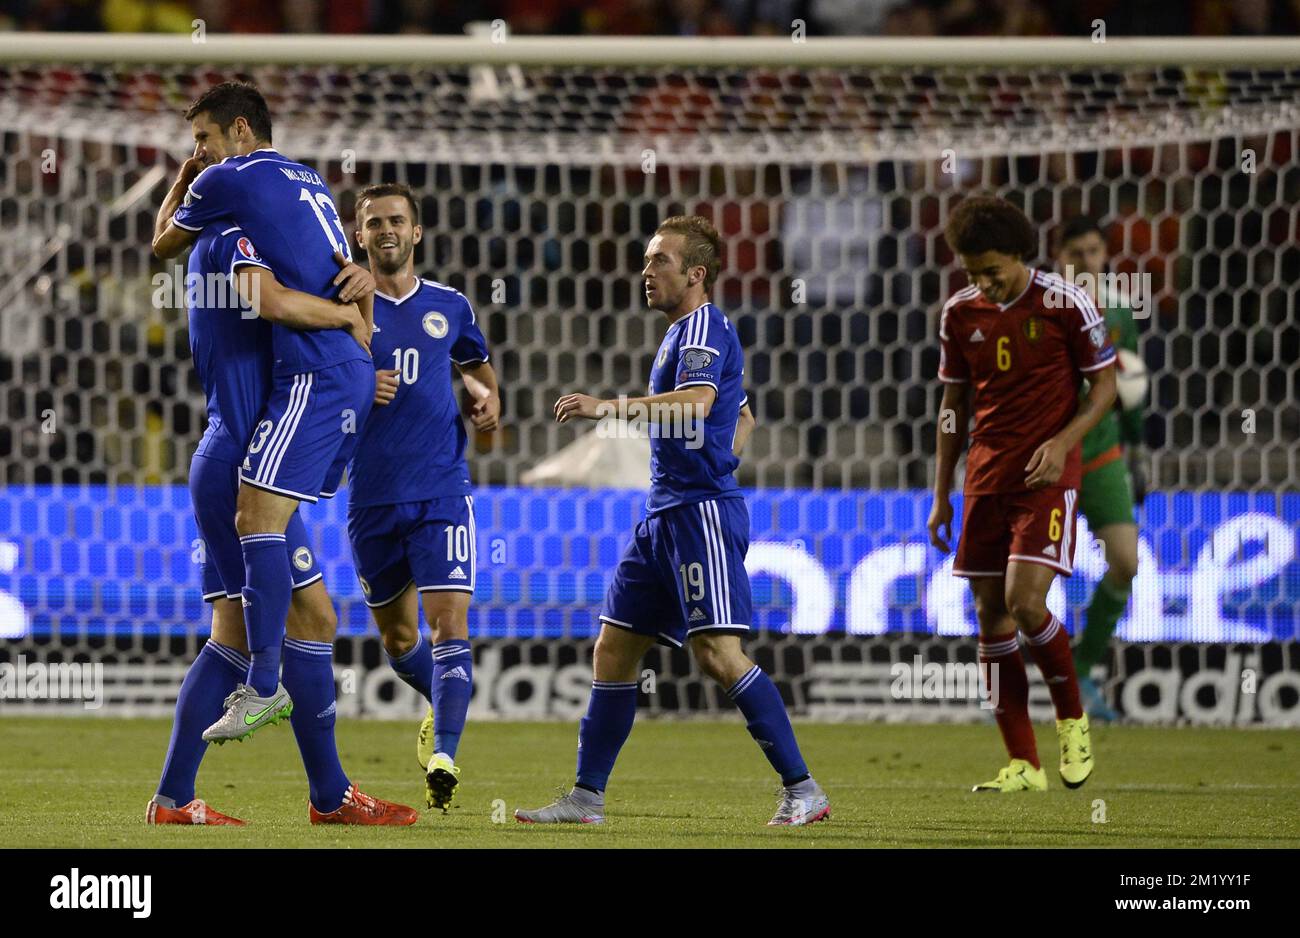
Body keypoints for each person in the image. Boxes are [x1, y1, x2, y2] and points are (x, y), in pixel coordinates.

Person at [515, 215, 829, 827]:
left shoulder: (704, 327)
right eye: (646, 258)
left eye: (660, 260)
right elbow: (743, 417)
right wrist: (722, 452)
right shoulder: (682, 333)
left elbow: (700, 404)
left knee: (716, 652)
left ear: (696, 273)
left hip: (698, 514)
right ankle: (586, 798)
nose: (646, 269)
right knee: (614, 647)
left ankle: (804, 789)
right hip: (661, 515)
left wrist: (608, 407)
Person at [928, 195, 1116, 792]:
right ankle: (1023, 764)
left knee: (1026, 603)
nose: (983, 282)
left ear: (1019, 255)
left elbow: (1105, 386)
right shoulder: (959, 314)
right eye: (971, 272)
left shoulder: (1066, 302)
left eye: (992, 270)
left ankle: (1073, 722)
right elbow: (952, 408)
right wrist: (940, 494)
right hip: (985, 476)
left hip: (1047, 475)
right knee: (989, 614)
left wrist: (1064, 444)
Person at [347, 183, 500, 812]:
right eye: (374, 221)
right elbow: (314, 388)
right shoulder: (340, 308)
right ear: (359, 236)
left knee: (449, 626)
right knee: (398, 639)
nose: (386, 230)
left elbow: (479, 375)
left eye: (397, 221)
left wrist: (488, 406)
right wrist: (361, 386)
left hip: (441, 490)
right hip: (370, 498)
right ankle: (445, 701)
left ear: (416, 233)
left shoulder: (451, 306)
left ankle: (446, 755)